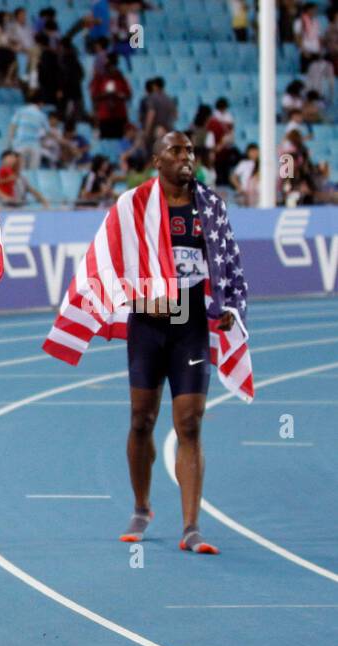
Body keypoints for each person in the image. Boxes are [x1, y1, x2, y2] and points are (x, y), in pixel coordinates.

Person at [115, 132, 240, 554]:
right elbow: (110, 265)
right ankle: (141, 505)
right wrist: (139, 297)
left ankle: (191, 527)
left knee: (189, 423)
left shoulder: (211, 209)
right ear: (157, 160)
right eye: (177, 151)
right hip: (147, 325)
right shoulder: (133, 207)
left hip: (190, 326)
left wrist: (228, 306)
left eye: (190, 150)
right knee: (141, 420)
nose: (186, 157)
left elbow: (229, 267)